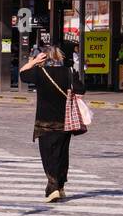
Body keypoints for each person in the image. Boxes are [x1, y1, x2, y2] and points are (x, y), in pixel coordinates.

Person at [19, 45, 85, 202]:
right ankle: (61, 187)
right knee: (62, 154)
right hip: (65, 121)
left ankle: (53, 187)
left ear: (44, 58)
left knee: (48, 155)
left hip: (45, 122)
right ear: (60, 57)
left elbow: (22, 74)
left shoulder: (39, 72)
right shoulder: (69, 72)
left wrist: (34, 61)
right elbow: (81, 89)